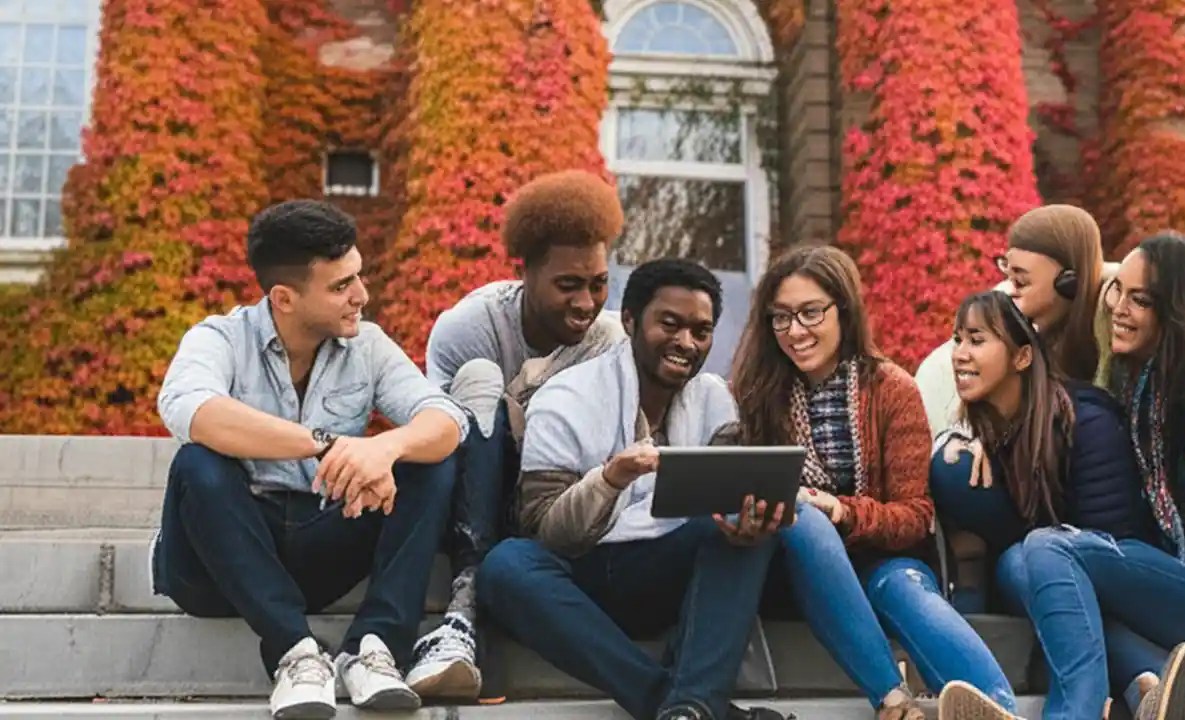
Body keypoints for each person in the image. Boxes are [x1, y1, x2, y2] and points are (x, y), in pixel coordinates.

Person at [153, 200, 468, 720]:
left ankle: (373, 647)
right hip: (215, 564)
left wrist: (383, 447)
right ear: (284, 297)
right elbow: (192, 409)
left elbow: (446, 419)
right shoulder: (220, 338)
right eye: (341, 286)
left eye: (358, 277)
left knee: (430, 461)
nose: (361, 295)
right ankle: (295, 654)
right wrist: (323, 443)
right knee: (198, 464)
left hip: (317, 543)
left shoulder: (366, 346)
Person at [942, 233, 1185, 720]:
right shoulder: (1131, 370)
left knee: (1048, 550)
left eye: (1140, 300)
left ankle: (1075, 712)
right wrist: (982, 437)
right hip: (1161, 577)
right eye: (1118, 290)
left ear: (1177, 311)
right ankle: (1149, 690)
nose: (1118, 307)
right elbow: (1050, 352)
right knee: (1018, 566)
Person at [476, 259, 786, 720]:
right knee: (506, 565)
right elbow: (544, 530)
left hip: (664, 574)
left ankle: (688, 706)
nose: (686, 342)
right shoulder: (566, 398)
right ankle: (686, 706)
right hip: (584, 577)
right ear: (629, 321)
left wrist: (752, 518)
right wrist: (609, 479)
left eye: (701, 331)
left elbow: (722, 505)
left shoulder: (715, 399)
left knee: (738, 532)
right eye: (670, 324)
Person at [727, 245, 1012, 720]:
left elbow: (915, 516)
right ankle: (892, 698)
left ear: (844, 309)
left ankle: (997, 711)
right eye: (780, 318)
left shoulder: (891, 389)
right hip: (797, 574)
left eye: (810, 313)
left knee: (904, 588)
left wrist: (843, 510)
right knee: (804, 519)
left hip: (886, 560)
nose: (795, 331)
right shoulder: (757, 397)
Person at [411, 170, 626, 699]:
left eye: (598, 283)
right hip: (473, 493)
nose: (585, 302)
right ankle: (464, 609)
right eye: (567, 285)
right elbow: (438, 445)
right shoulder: (471, 327)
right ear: (524, 273)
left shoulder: (608, 338)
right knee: (482, 380)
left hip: (556, 498)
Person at [925, 291, 1153, 718]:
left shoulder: (1087, 423)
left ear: (1022, 358)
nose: (958, 354)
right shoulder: (982, 435)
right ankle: (1145, 684)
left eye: (976, 340)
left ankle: (1129, 690)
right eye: (957, 340)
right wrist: (963, 439)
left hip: (1119, 579)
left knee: (1028, 560)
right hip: (1031, 584)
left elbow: (1112, 549)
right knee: (1016, 560)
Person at [916, 205, 1114, 437]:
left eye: (1021, 283)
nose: (1010, 292)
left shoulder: (1112, 329)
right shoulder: (1017, 326)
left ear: (1068, 284)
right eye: (1008, 277)